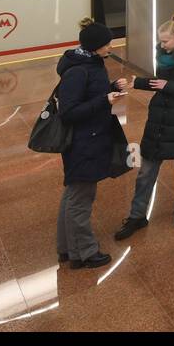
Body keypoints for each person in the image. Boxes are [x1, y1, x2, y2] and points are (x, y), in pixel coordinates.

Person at [116, 9, 174, 238]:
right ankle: (137, 216)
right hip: (159, 121)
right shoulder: (165, 56)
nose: (162, 45)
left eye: (165, 41)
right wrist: (136, 83)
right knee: (145, 173)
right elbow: (161, 83)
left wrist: (168, 86)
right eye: (161, 41)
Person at [56, 18, 130, 270]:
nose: (111, 47)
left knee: (73, 194)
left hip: (92, 139)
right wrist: (104, 100)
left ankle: (67, 248)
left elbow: (90, 94)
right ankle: (84, 254)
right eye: (107, 44)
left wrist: (111, 88)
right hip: (82, 144)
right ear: (95, 46)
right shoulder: (77, 71)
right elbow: (68, 112)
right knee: (80, 199)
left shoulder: (91, 62)